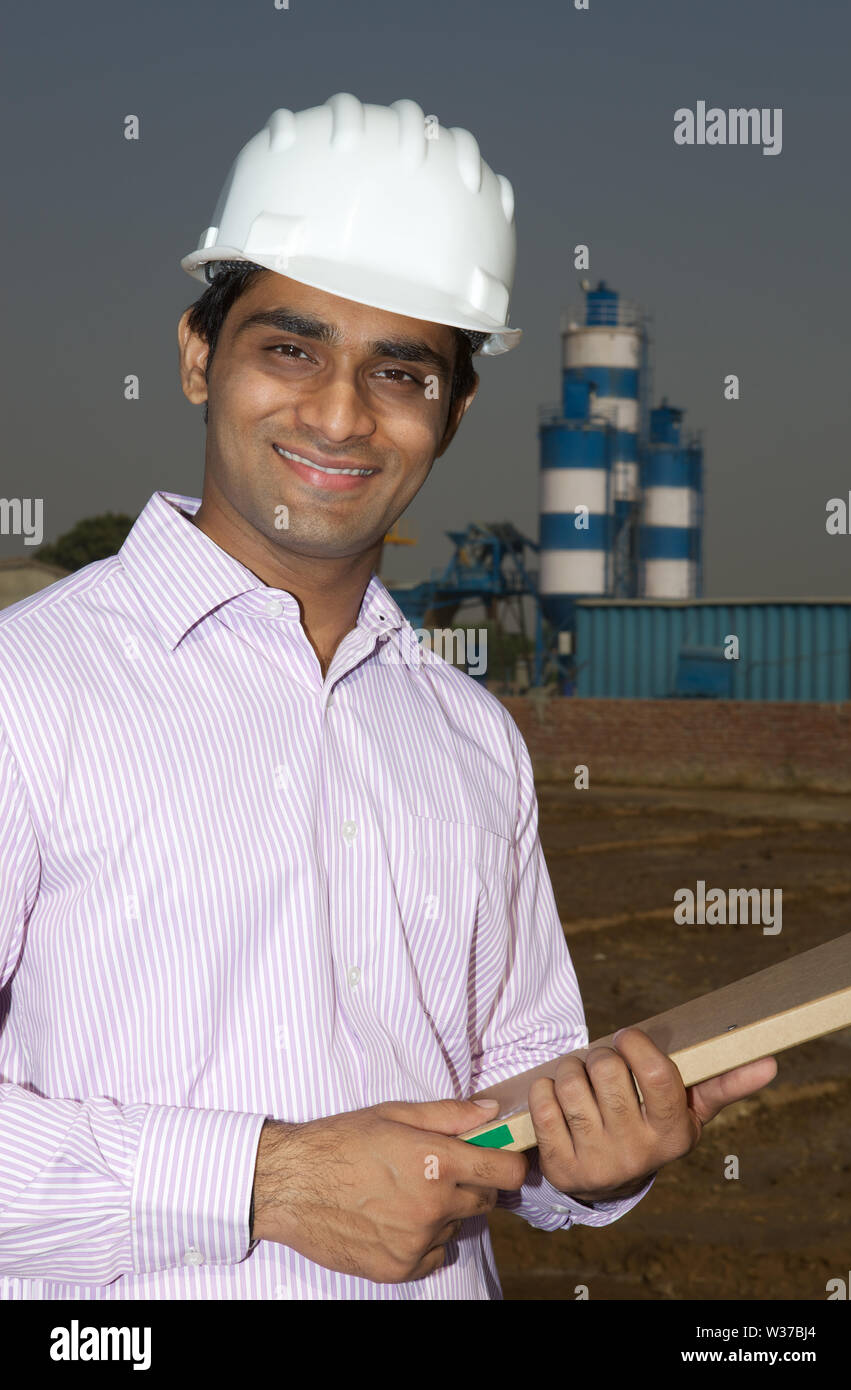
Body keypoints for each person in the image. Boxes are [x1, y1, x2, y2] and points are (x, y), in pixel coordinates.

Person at [0, 93, 776, 1301]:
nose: (338, 414)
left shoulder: (470, 736)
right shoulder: (28, 686)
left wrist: (581, 1156)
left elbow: (509, 1092)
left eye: (399, 371)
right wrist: (267, 1181)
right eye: (290, 349)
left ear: (450, 412)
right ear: (199, 354)